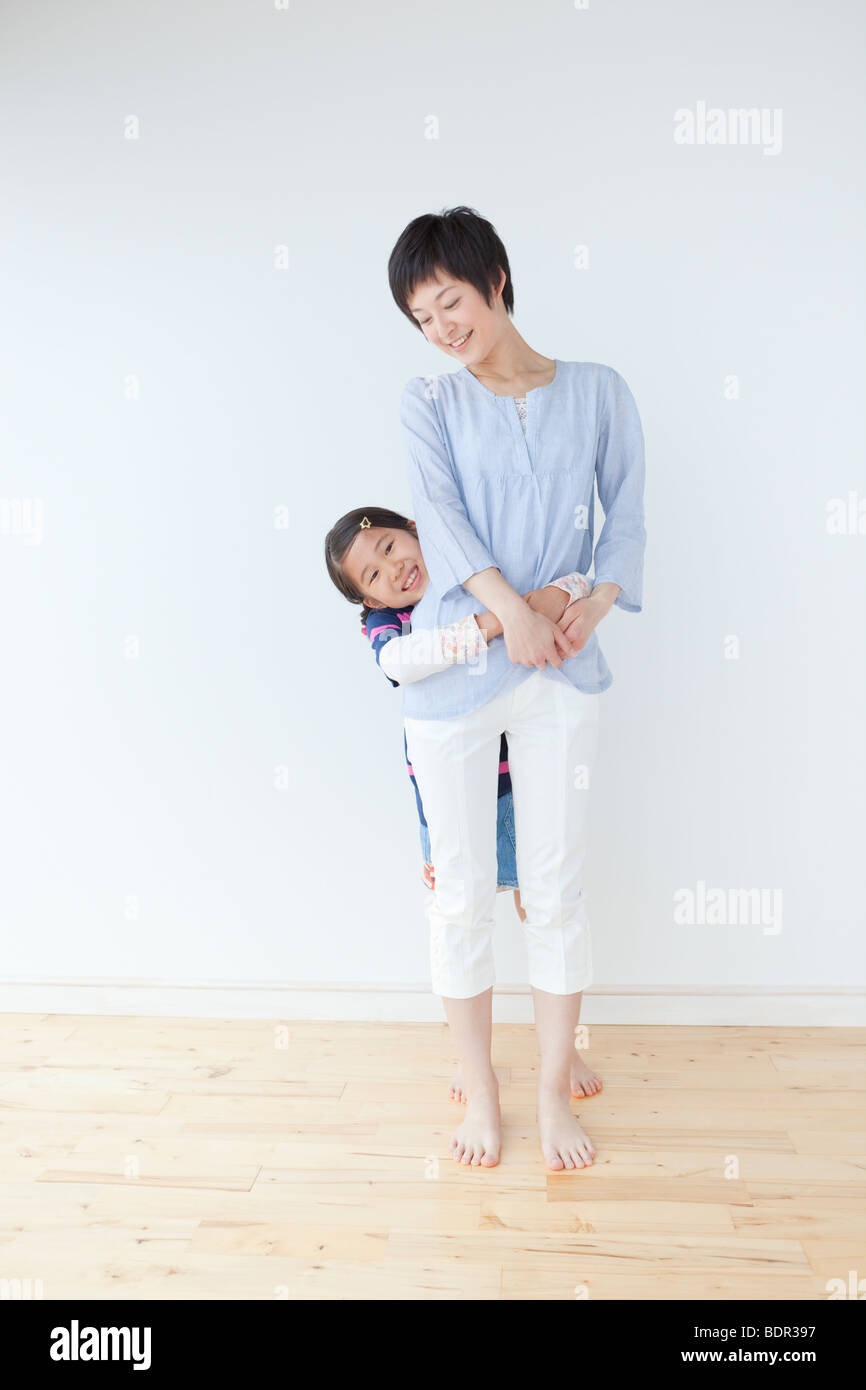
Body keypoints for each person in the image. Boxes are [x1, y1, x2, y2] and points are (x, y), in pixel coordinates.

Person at [383, 206, 646, 1170]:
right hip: (458, 666)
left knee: (555, 890)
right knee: (458, 896)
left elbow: (626, 521)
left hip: (561, 670)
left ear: (496, 278)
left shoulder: (600, 392)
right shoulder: (429, 402)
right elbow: (442, 525)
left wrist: (593, 605)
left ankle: (549, 1094)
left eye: (450, 300)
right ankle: (480, 1087)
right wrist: (516, 613)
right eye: (422, 317)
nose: (442, 327)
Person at [325, 504, 592, 1102]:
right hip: (452, 788)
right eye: (371, 576)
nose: (392, 571)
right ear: (368, 603)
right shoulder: (393, 625)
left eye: (391, 548)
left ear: (417, 532)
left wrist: (535, 600)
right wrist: (500, 621)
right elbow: (402, 664)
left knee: (541, 901)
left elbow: (575, 582)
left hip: (522, 777)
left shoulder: (472, 576)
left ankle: (562, 1049)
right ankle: (474, 1066)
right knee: (461, 910)